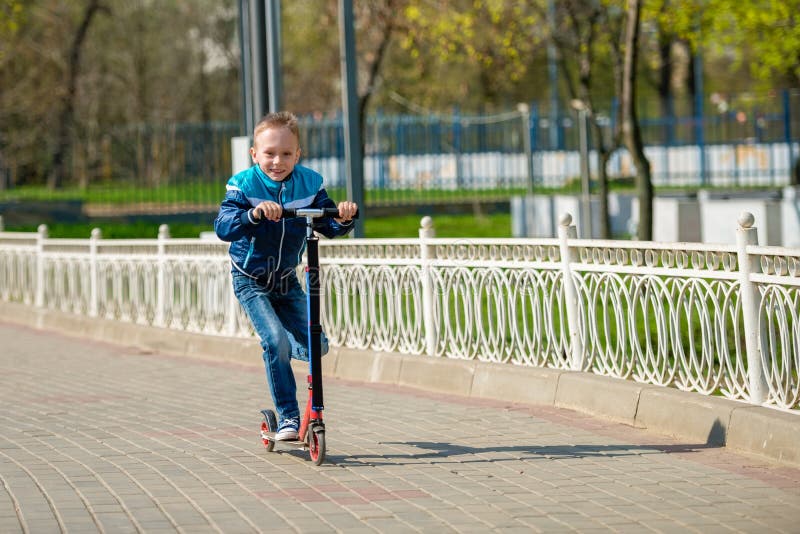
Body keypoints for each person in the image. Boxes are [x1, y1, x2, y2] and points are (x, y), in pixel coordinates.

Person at [214, 111, 357, 441]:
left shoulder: (309, 183)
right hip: (250, 279)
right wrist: (253, 214)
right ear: (255, 154)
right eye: (269, 153)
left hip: (285, 278)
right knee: (275, 341)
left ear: (298, 154)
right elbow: (223, 226)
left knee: (317, 345)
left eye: (286, 154)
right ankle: (289, 416)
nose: (277, 161)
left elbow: (330, 224)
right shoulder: (243, 185)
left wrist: (345, 217)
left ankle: (279, 349)